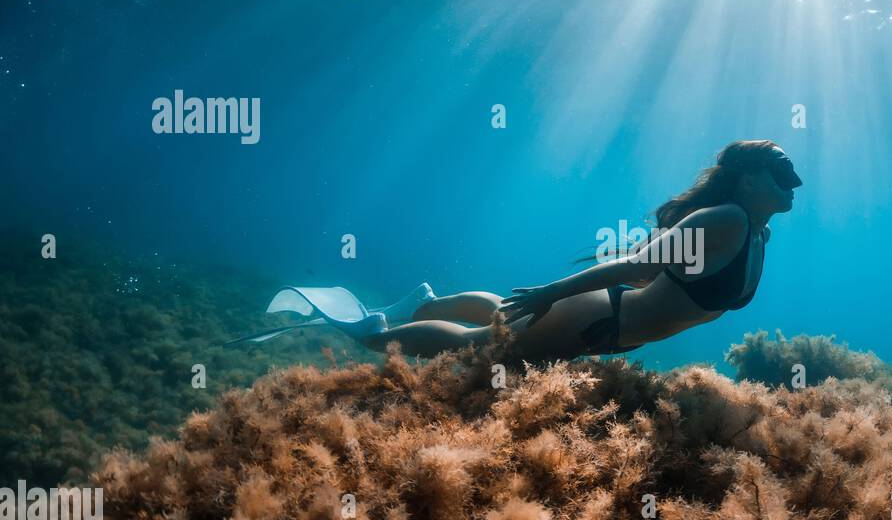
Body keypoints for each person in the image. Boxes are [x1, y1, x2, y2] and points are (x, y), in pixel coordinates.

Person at [239, 140, 801, 363]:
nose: (790, 180)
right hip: (604, 316)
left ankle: (428, 300)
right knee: (478, 352)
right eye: (778, 170)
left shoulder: (757, 232)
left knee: (496, 325)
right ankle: (370, 329)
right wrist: (553, 292)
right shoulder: (726, 218)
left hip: (616, 326)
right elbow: (640, 266)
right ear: (748, 177)